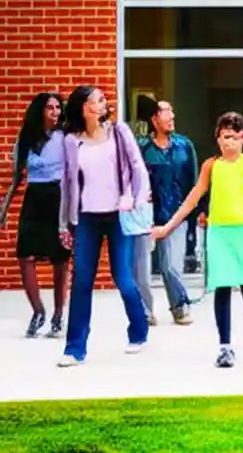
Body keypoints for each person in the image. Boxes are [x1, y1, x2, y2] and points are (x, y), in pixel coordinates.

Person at [153, 112, 243, 368]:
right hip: (218, 232)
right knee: (221, 286)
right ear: (217, 139)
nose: (228, 143)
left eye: (233, 137)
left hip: (242, 230)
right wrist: (168, 226)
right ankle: (225, 346)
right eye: (223, 137)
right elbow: (193, 197)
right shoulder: (211, 166)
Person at [56, 86, 150, 367]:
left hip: (119, 215)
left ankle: (139, 330)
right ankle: (75, 348)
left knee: (123, 277)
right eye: (97, 99)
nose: (103, 102)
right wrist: (64, 223)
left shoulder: (119, 132)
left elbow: (138, 167)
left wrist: (135, 197)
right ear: (84, 107)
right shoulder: (72, 141)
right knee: (82, 282)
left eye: (102, 98)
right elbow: (67, 184)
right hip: (87, 217)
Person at [1, 92, 69, 338]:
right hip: (34, 198)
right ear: (40, 111)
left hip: (59, 197)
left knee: (60, 259)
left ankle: (59, 314)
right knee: (25, 256)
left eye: (58, 108)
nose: (55, 112)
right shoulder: (26, 139)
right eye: (50, 108)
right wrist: (4, 208)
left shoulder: (66, 136)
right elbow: (17, 178)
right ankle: (38, 310)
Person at [135, 98, 197, 325]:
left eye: (172, 111)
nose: (171, 116)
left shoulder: (184, 145)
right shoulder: (143, 148)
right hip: (148, 214)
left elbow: (194, 180)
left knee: (170, 264)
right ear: (153, 119)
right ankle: (145, 311)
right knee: (141, 268)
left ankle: (180, 305)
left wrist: (196, 212)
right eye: (165, 112)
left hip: (177, 214)